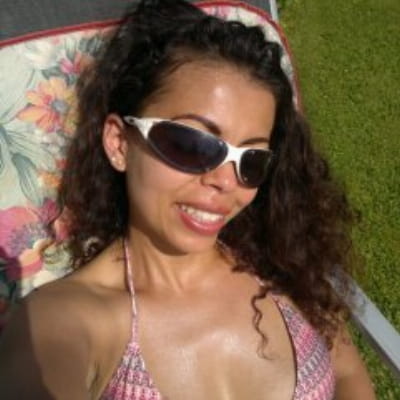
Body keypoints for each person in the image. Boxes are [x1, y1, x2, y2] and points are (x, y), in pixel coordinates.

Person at [0, 0, 376, 399]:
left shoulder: (281, 260)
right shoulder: (66, 321)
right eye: (192, 144)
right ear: (119, 143)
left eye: (250, 161)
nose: (225, 181)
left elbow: (348, 374)